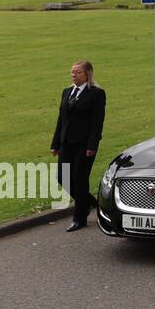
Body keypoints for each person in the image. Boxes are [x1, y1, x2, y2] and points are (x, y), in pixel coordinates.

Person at [50, 60, 105, 231]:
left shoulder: (96, 94)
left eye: (78, 72)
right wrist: (56, 143)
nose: (74, 75)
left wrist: (92, 146)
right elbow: (61, 120)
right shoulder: (66, 92)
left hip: (84, 145)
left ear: (87, 74)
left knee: (80, 180)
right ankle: (89, 202)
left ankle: (79, 217)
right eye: (72, 72)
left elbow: (97, 122)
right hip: (66, 143)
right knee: (62, 177)